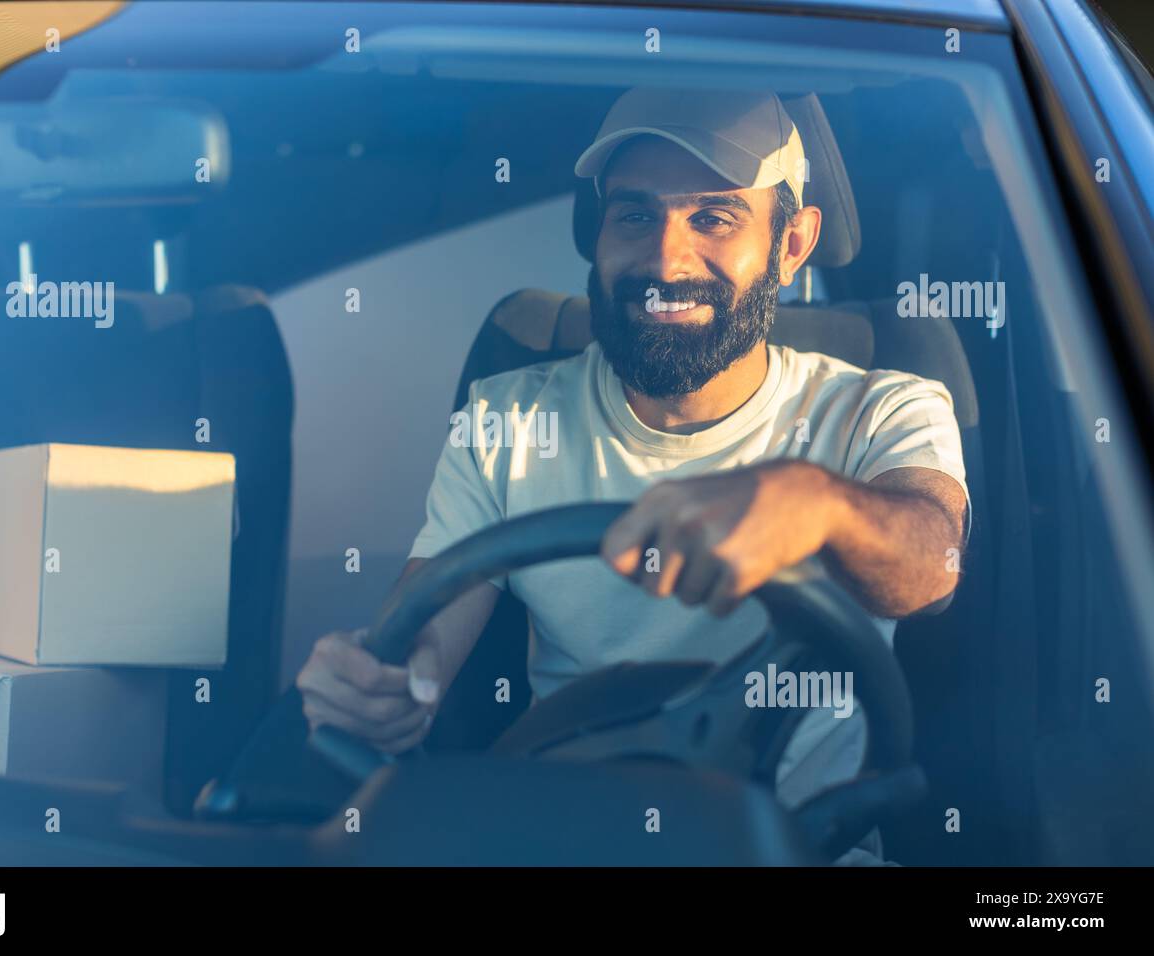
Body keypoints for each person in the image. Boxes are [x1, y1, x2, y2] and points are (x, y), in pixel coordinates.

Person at [296, 88, 970, 865]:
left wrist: (820, 507)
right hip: (567, 844)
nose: (664, 261)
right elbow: (426, 636)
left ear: (791, 244)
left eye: (714, 217)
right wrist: (378, 690)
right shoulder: (508, 420)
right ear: (597, 234)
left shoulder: (882, 409)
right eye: (635, 216)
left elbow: (933, 565)